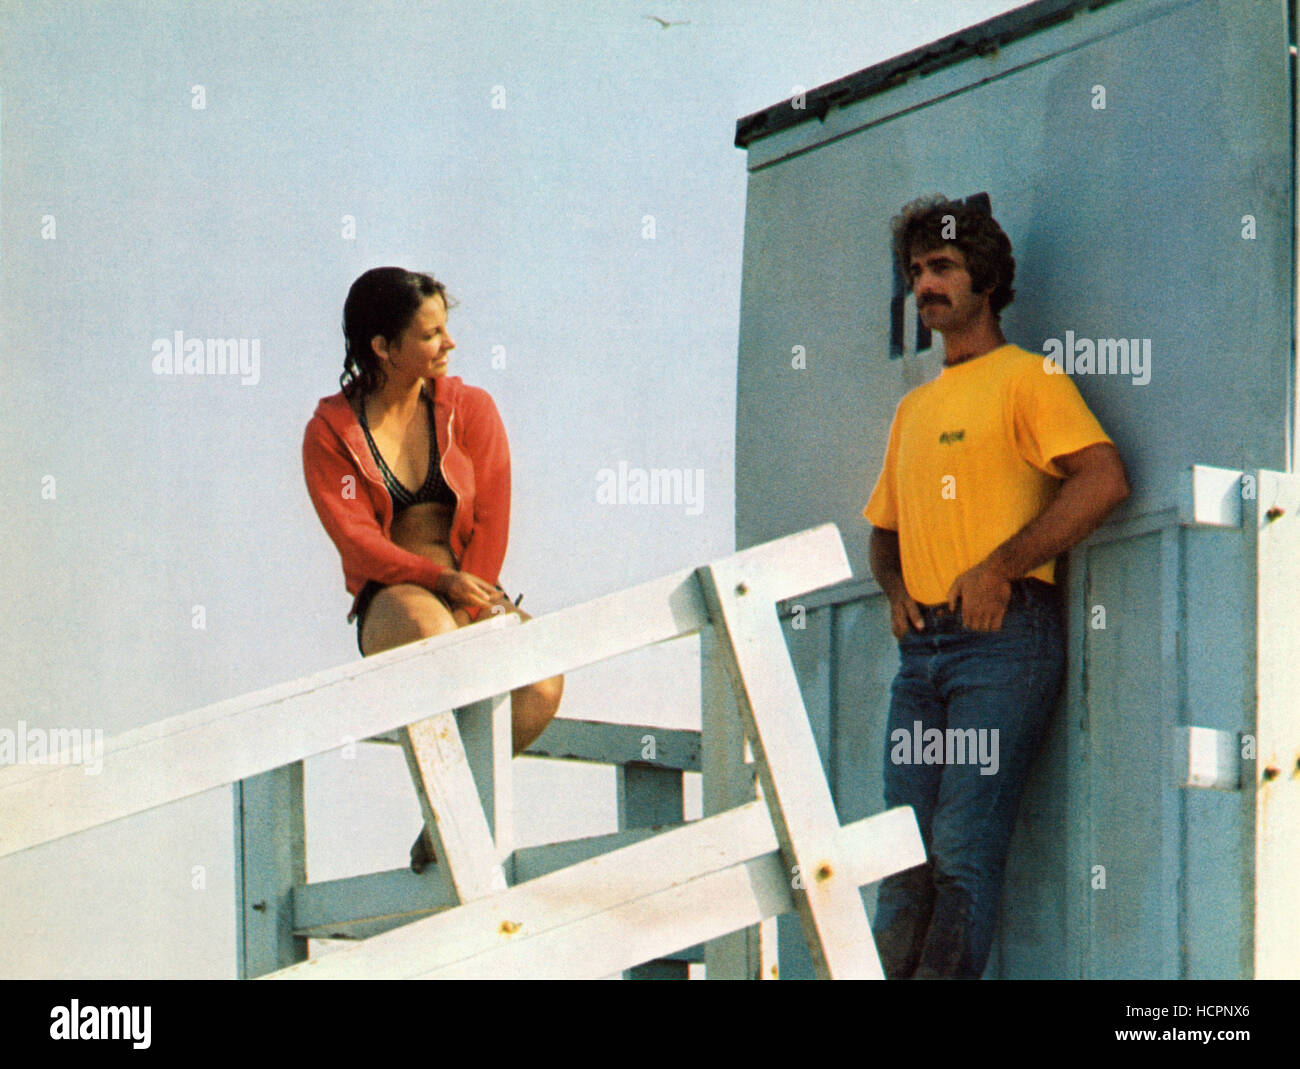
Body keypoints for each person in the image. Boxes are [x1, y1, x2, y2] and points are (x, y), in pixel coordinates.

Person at [863, 196, 1130, 978]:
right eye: (916, 273)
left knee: (958, 850)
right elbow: (884, 530)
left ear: (986, 277)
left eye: (942, 266)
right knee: (900, 851)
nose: (926, 286)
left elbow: (1103, 478)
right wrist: (892, 587)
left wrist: (1000, 567)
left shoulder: (1028, 380)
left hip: (1003, 642)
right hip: (923, 654)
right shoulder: (912, 409)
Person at [302, 267, 563, 871]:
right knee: (433, 638)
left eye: (447, 328)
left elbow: (494, 513)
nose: (449, 344)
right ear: (383, 347)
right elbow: (357, 540)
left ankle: (447, 814)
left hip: (472, 583)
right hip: (394, 598)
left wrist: (472, 594)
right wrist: (440, 582)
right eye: (431, 334)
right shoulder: (329, 433)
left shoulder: (471, 408)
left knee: (542, 679)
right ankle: (451, 817)